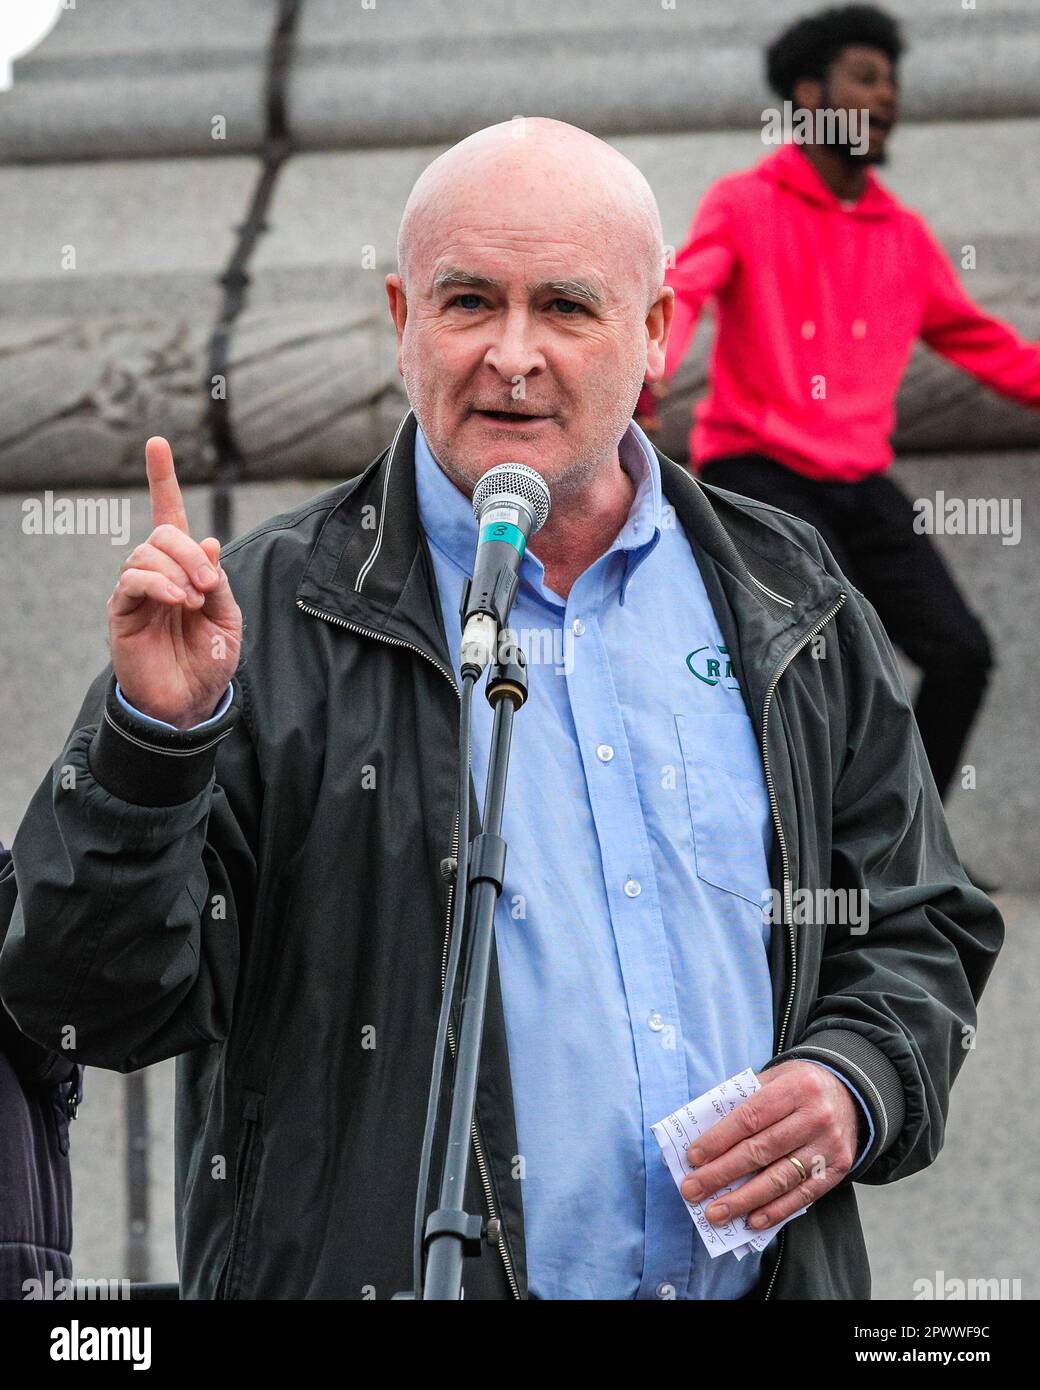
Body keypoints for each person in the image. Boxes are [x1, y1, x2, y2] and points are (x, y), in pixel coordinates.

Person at [0, 118, 1002, 1301]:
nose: (511, 356)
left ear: (652, 336)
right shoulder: (257, 615)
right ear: (399, 321)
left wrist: (855, 1080)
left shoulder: (785, 589)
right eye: (467, 301)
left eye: (567, 308)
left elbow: (917, 921)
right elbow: (85, 1005)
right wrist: (153, 743)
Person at [636, 4, 1040, 810]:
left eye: (892, 81)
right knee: (837, 652)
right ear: (810, 94)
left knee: (960, 653)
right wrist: (646, 379)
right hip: (758, 472)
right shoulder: (745, 203)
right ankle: (814, 849)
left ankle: (899, 848)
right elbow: (685, 295)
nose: (888, 97)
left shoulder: (904, 235)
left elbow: (987, 345)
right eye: (866, 78)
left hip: (859, 482)